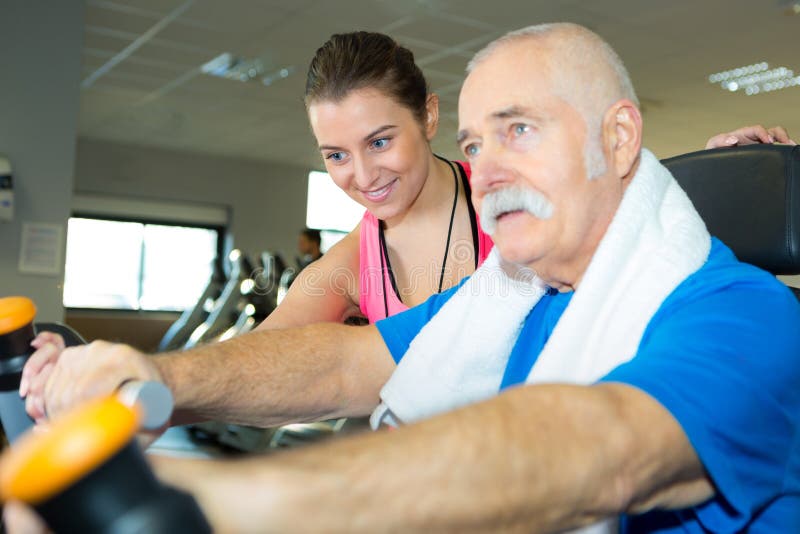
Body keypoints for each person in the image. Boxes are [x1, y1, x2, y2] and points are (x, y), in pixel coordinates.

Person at [9, 22, 800, 533]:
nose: (489, 169)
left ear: (620, 138)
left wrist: (214, 504)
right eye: (478, 144)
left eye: (520, 130)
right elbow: (341, 360)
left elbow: (601, 447)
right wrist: (155, 376)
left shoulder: (747, 314)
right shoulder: (511, 293)